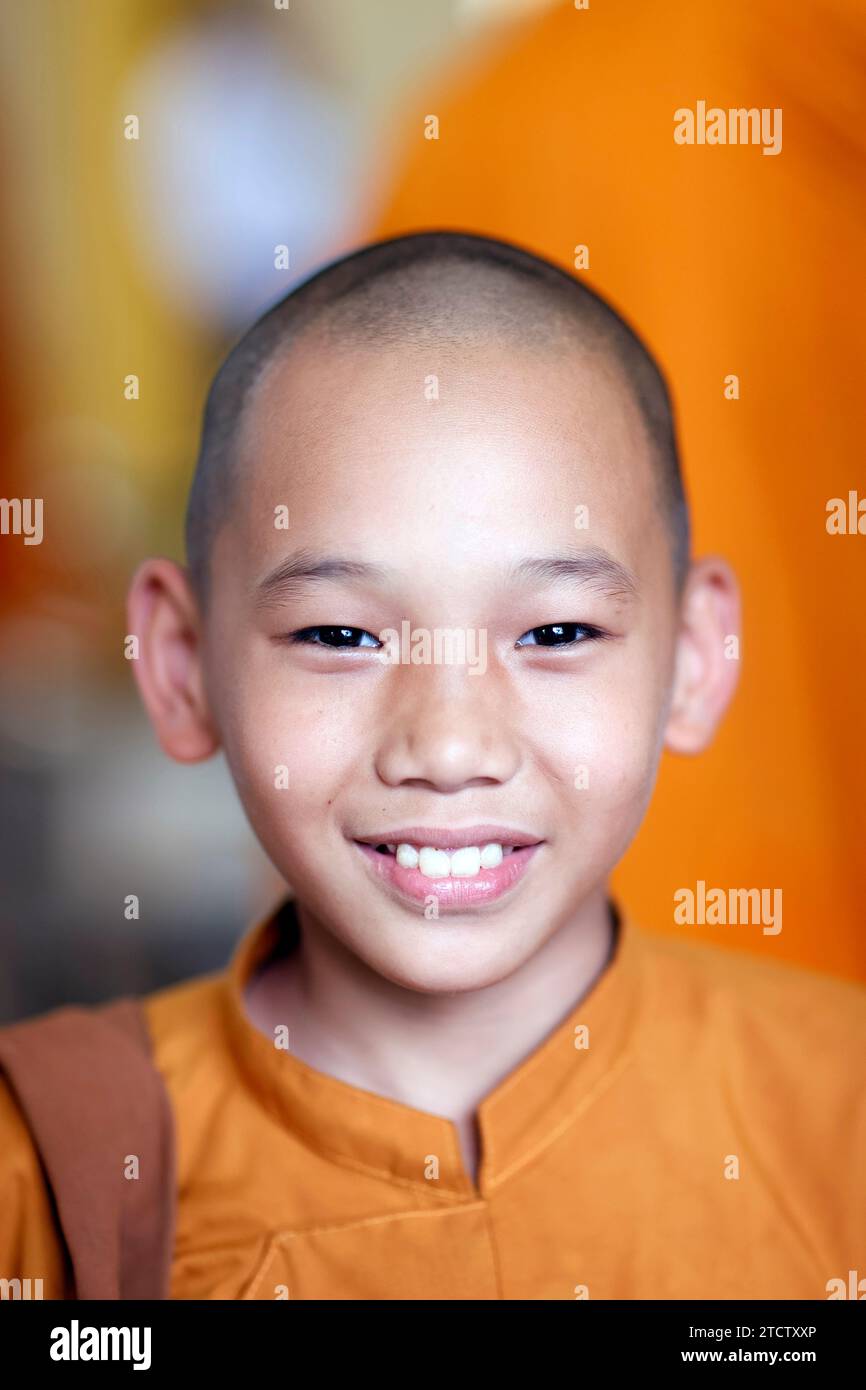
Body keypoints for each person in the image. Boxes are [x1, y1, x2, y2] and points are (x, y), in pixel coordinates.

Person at [2, 232, 863, 1300]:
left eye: (553, 634)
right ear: (181, 665)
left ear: (692, 659)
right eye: (338, 635)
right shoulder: (49, 1180)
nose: (449, 747)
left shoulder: (840, 1119)